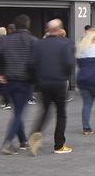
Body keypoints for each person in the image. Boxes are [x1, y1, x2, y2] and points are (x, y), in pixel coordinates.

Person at [28, 19, 76, 155]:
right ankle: (59, 145)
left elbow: (32, 63)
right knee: (61, 113)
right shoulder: (67, 43)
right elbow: (69, 62)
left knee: (44, 111)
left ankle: (36, 133)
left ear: (47, 30)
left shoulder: (39, 44)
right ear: (61, 29)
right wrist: (66, 76)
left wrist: (36, 79)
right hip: (59, 82)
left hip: (43, 82)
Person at [0, 15, 37, 153]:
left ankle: (23, 141)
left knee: (17, 110)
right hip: (23, 80)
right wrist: (35, 79)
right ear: (28, 26)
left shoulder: (5, 40)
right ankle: (8, 141)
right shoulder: (32, 41)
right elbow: (36, 62)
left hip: (8, 80)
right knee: (19, 113)